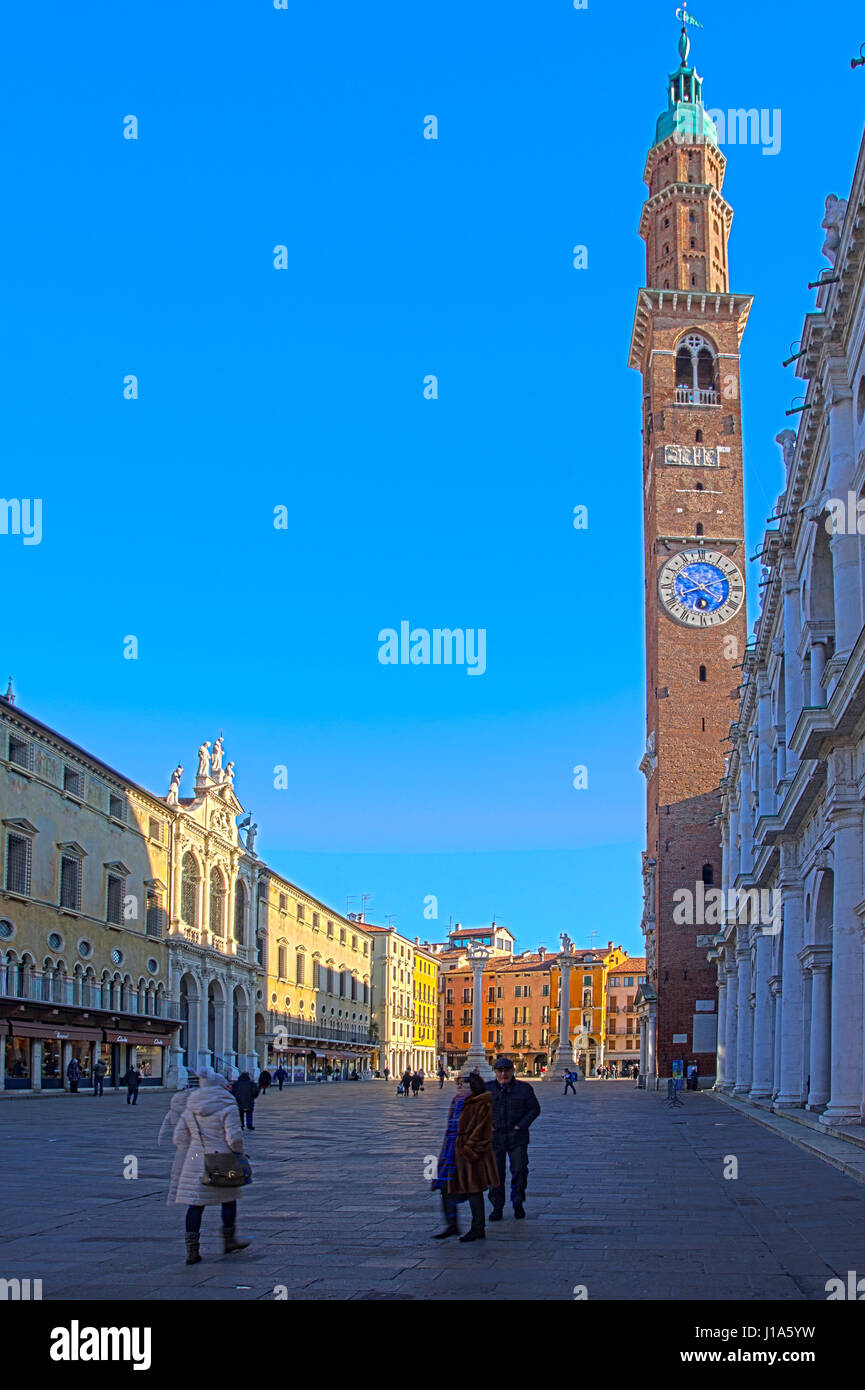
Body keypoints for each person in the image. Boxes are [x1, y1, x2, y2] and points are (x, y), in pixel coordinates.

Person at [170, 1067, 250, 1265]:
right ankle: (229, 1240)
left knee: (195, 1204)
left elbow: (179, 1137)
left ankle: (191, 1250)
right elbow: (234, 1137)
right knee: (229, 1198)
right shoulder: (228, 1105)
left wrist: (194, 1149)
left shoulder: (191, 1107)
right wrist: (238, 1153)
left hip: (196, 1159)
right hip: (222, 1158)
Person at [431, 1072, 500, 1242]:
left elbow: (484, 1130)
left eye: (463, 1085)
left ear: (473, 1087)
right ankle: (452, 1224)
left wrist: (470, 1150)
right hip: (451, 1151)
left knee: (473, 1190)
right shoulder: (457, 1102)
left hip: (470, 1155)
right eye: (458, 1085)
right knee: (446, 1188)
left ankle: (478, 1228)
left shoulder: (480, 1103)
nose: (459, 1088)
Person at [486, 1056, 541, 1221]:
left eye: (507, 1070)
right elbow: (477, 1111)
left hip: (517, 1137)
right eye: (500, 1071)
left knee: (519, 1170)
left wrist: (520, 1126)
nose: (503, 1074)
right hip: (495, 1138)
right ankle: (497, 1206)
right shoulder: (487, 1089)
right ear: (495, 1072)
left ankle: (517, 1201)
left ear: (513, 1071)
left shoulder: (524, 1089)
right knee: (495, 1174)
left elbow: (534, 1109)